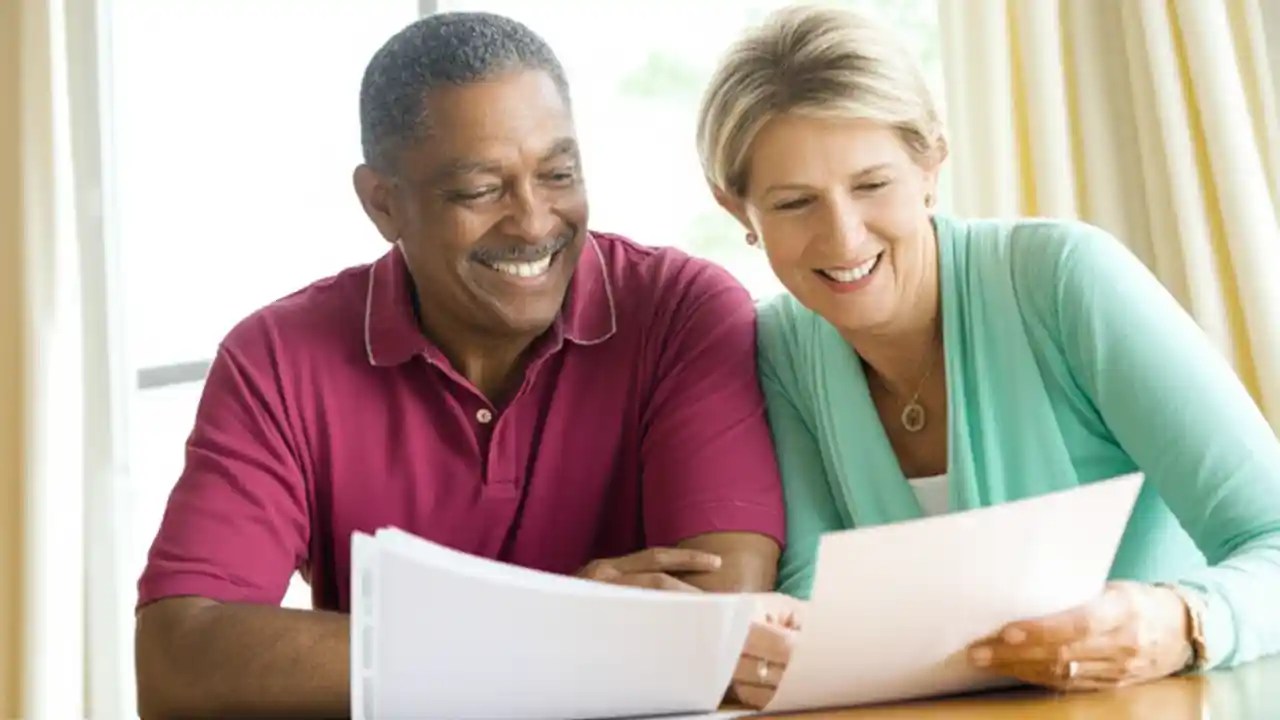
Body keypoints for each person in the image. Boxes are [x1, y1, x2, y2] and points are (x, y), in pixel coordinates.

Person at [133, 12, 786, 718]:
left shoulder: (682, 312)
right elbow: (178, 663)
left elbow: (721, 629)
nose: (534, 221)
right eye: (480, 190)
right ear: (384, 204)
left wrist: (445, 653)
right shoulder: (276, 360)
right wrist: (554, 629)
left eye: (558, 174)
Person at [697, 5, 1280, 708]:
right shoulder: (777, 350)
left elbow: (1271, 533)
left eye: (872, 185)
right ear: (739, 212)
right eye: (795, 203)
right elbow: (816, 600)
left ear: (931, 166)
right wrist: (779, 643)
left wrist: (1181, 622)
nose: (844, 237)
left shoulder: (1064, 280)